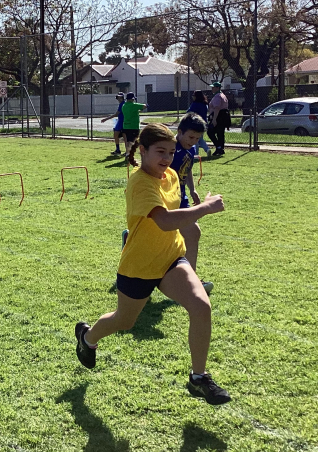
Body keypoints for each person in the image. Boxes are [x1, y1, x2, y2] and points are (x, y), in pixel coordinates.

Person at [73, 123, 230, 406]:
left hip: (170, 257)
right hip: (139, 265)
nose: (167, 159)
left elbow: (177, 214)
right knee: (125, 320)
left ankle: (198, 378)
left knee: (201, 305)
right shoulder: (140, 183)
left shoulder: (169, 175)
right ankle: (87, 338)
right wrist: (206, 208)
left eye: (171, 152)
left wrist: (195, 208)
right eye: (160, 152)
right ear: (142, 150)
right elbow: (165, 220)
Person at [170, 113, 215, 294]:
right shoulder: (168, 147)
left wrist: (192, 188)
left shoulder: (190, 148)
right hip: (164, 198)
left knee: (193, 233)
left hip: (181, 197)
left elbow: (187, 168)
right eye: (190, 137)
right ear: (179, 132)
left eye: (197, 138)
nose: (193, 141)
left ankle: (191, 279)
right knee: (159, 237)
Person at [120, 92, 147, 159]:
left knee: (128, 141)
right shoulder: (133, 105)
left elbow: (131, 112)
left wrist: (137, 110)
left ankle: (127, 153)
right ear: (132, 99)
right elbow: (144, 106)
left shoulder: (124, 105)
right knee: (134, 141)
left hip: (126, 126)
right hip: (133, 126)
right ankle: (130, 154)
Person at [207, 83, 230, 156]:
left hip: (219, 116)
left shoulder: (218, 96)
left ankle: (219, 147)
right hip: (223, 116)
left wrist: (214, 119)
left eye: (213, 87)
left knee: (210, 132)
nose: (212, 89)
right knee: (220, 133)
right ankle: (220, 149)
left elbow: (217, 108)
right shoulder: (223, 95)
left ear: (217, 88)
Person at [185, 90, 212, 155]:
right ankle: (207, 149)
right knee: (200, 138)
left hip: (196, 123)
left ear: (196, 96)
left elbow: (189, 112)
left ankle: (196, 153)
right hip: (204, 123)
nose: (192, 97)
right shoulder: (204, 104)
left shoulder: (195, 104)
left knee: (195, 139)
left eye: (193, 95)